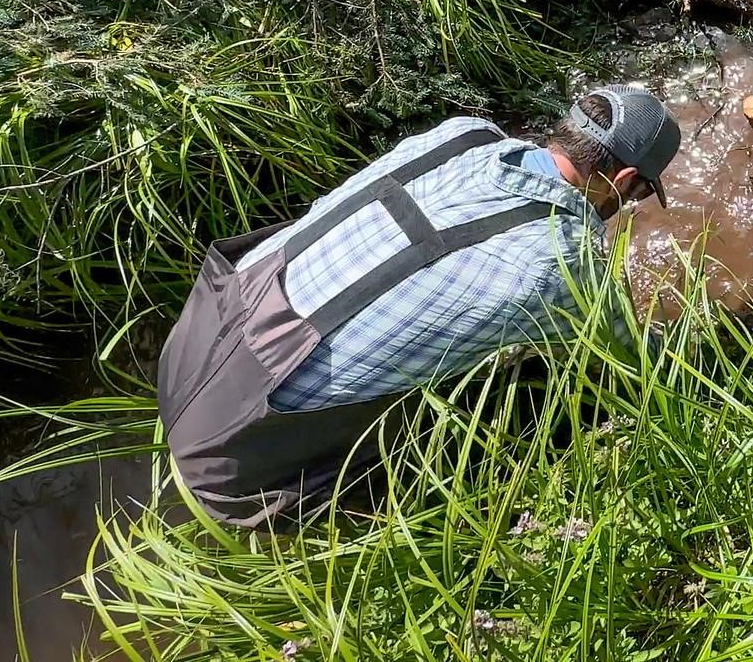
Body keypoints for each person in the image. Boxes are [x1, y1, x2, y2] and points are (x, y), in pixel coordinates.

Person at [156, 86, 680, 527]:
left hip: (195, 342)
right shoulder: (566, 255)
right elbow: (631, 358)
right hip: (239, 464)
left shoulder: (462, 134)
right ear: (625, 181)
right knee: (535, 403)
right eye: (634, 197)